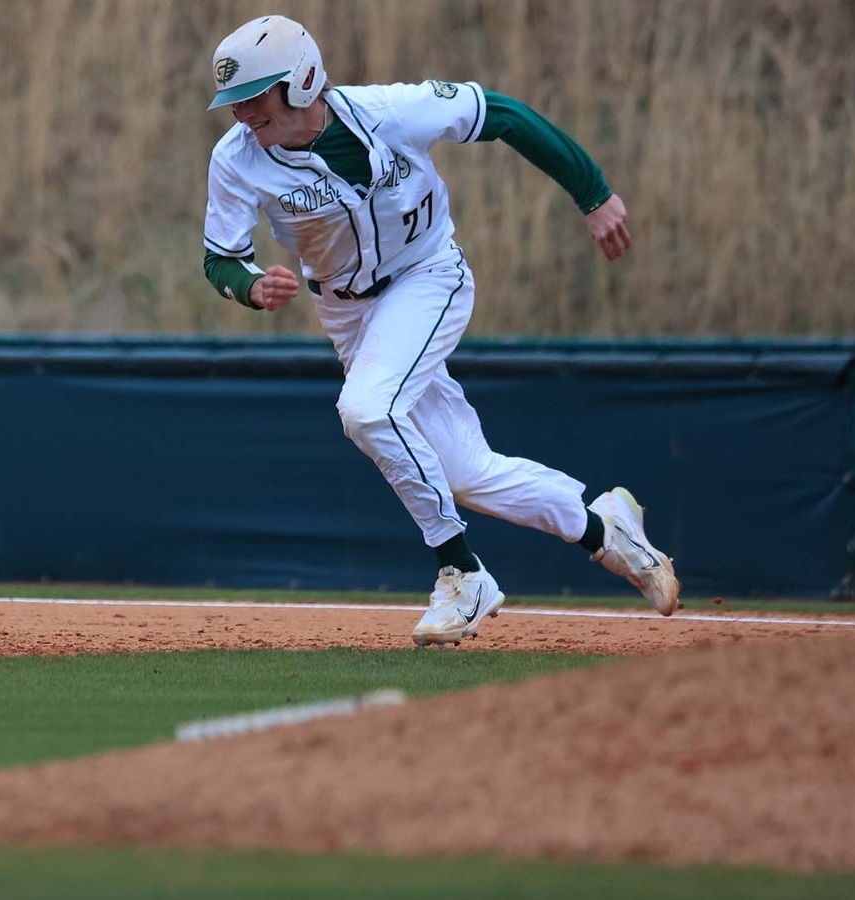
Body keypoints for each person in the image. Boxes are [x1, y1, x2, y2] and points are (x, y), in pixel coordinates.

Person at [201, 15, 679, 646]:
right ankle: (605, 530)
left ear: (301, 80)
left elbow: (502, 114)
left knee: (368, 410)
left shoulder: (390, 112)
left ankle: (461, 571)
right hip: (347, 309)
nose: (242, 115)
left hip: (428, 277)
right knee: (462, 473)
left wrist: (592, 194)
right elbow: (220, 257)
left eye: (253, 96)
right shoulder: (236, 160)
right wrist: (250, 285)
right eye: (233, 103)